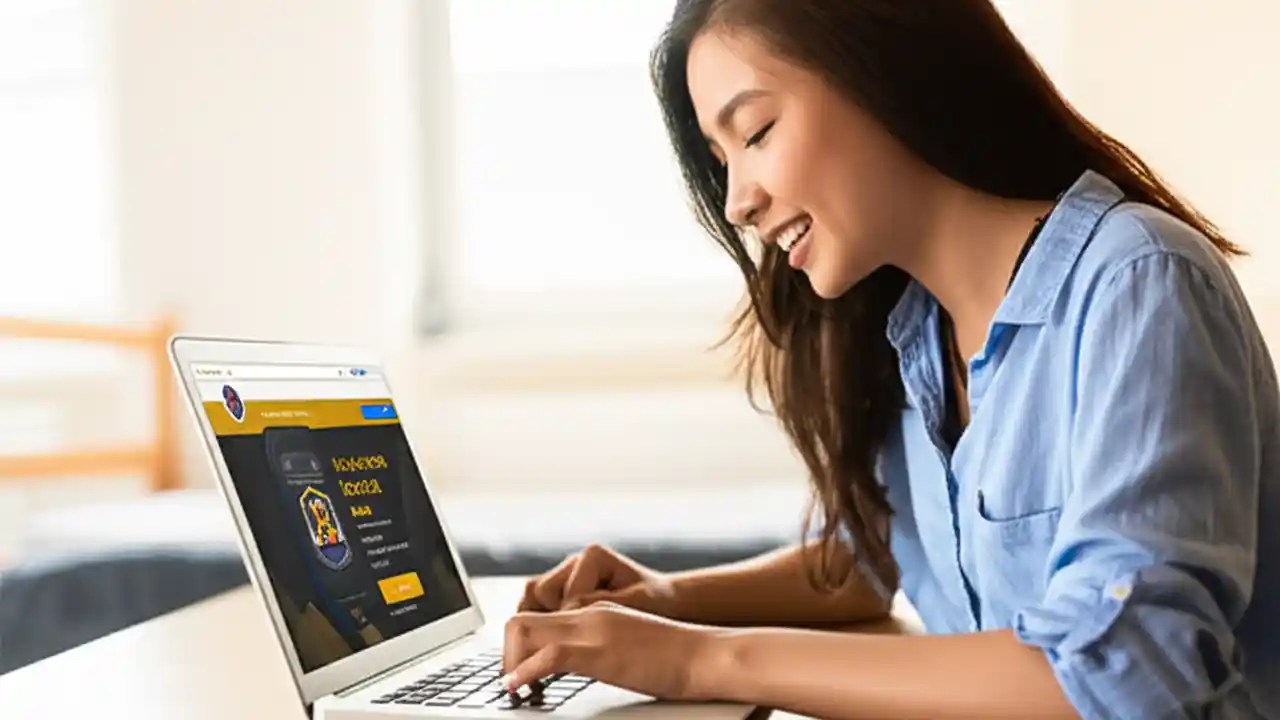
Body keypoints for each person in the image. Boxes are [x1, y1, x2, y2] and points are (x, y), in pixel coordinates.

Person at [499, 2, 1279, 718]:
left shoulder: (1137, 282)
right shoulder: (912, 332)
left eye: (756, 133)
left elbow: (1124, 675)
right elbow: (882, 556)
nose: (737, 202)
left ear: (883, 69)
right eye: (721, 158)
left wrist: (702, 660)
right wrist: (668, 600)